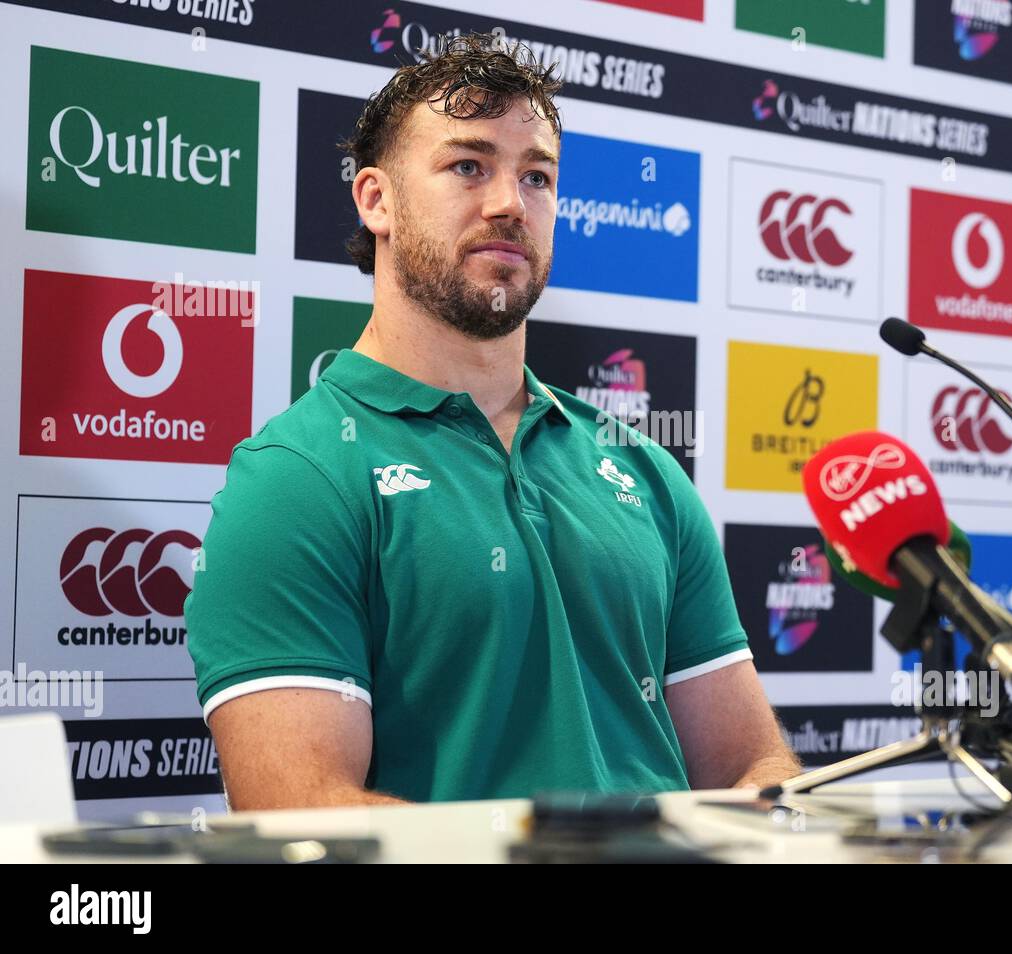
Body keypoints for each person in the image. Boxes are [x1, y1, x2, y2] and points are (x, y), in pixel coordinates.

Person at [184, 33, 801, 808]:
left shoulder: (643, 469)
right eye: (468, 166)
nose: (510, 203)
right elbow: (301, 810)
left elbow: (752, 763)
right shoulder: (295, 477)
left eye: (536, 176)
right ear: (376, 199)